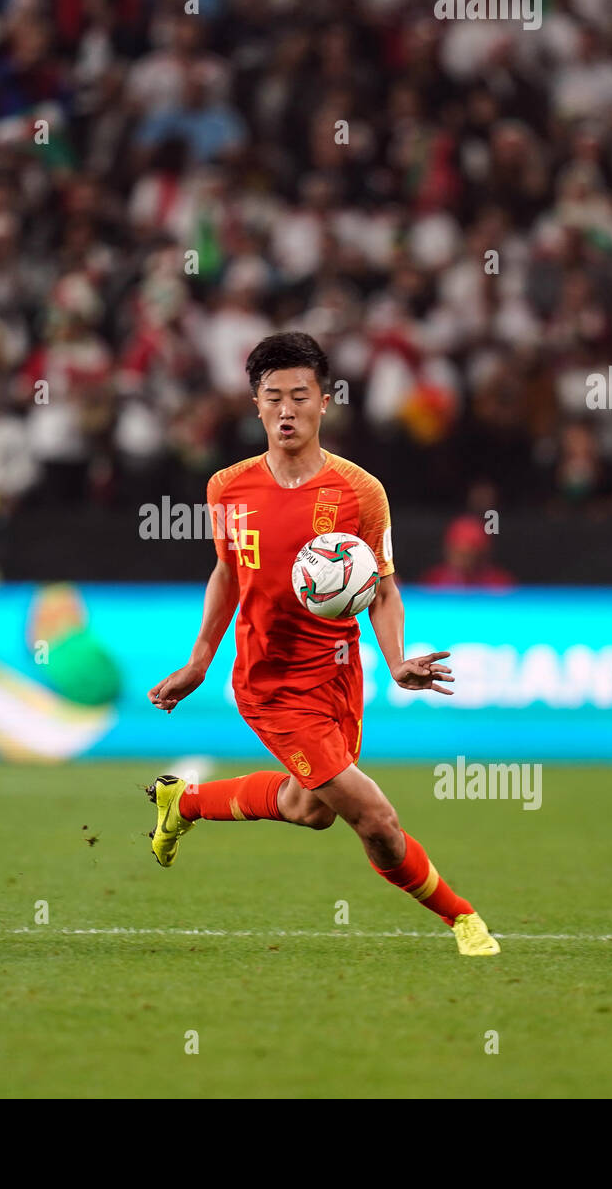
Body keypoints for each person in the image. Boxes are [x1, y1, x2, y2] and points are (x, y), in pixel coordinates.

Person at [146, 332, 499, 957]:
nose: (287, 410)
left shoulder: (361, 493)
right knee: (375, 820)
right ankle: (464, 919)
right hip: (270, 684)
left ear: (325, 401)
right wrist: (200, 661)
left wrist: (394, 661)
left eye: (300, 396)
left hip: (339, 677)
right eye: (272, 397)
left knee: (309, 808)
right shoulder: (226, 490)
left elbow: (384, 589)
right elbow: (228, 575)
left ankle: (185, 802)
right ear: (255, 405)